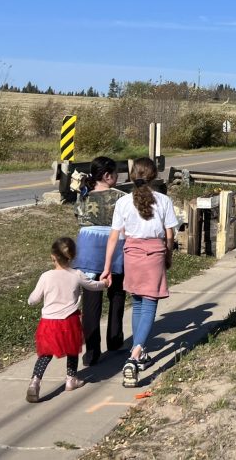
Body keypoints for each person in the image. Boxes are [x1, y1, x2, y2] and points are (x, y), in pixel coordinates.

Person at [101, 158, 179, 388]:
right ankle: (134, 357)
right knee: (150, 303)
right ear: (154, 176)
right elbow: (170, 234)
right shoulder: (164, 200)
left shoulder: (124, 202)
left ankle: (141, 348)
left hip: (131, 254)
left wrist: (107, 267)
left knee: (136, 303)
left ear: (132, 175)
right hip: (154, 252)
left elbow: (114, 236)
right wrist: (168, 256)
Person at [26, 237, 107, 402]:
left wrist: (30, 300)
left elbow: (33, 299)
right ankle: (71, 379)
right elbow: (93, 285)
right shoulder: (76, 275)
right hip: (69, 320)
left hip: (49, 322)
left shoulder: (46, 276)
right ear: (73, 256)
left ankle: (35, 382)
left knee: (45, 354)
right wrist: (104, 283)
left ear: (52, 256)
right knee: (72, 350)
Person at [74, 156, 126, 366]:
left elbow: (77, 217)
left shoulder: (83, 195)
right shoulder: (121, 197)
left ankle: (92, 352)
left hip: (86, 244)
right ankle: (114, 339)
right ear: (107, 175)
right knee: (117, 292)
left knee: (91, 299)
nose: (117, 177)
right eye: (115, 174)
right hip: (114, 243)